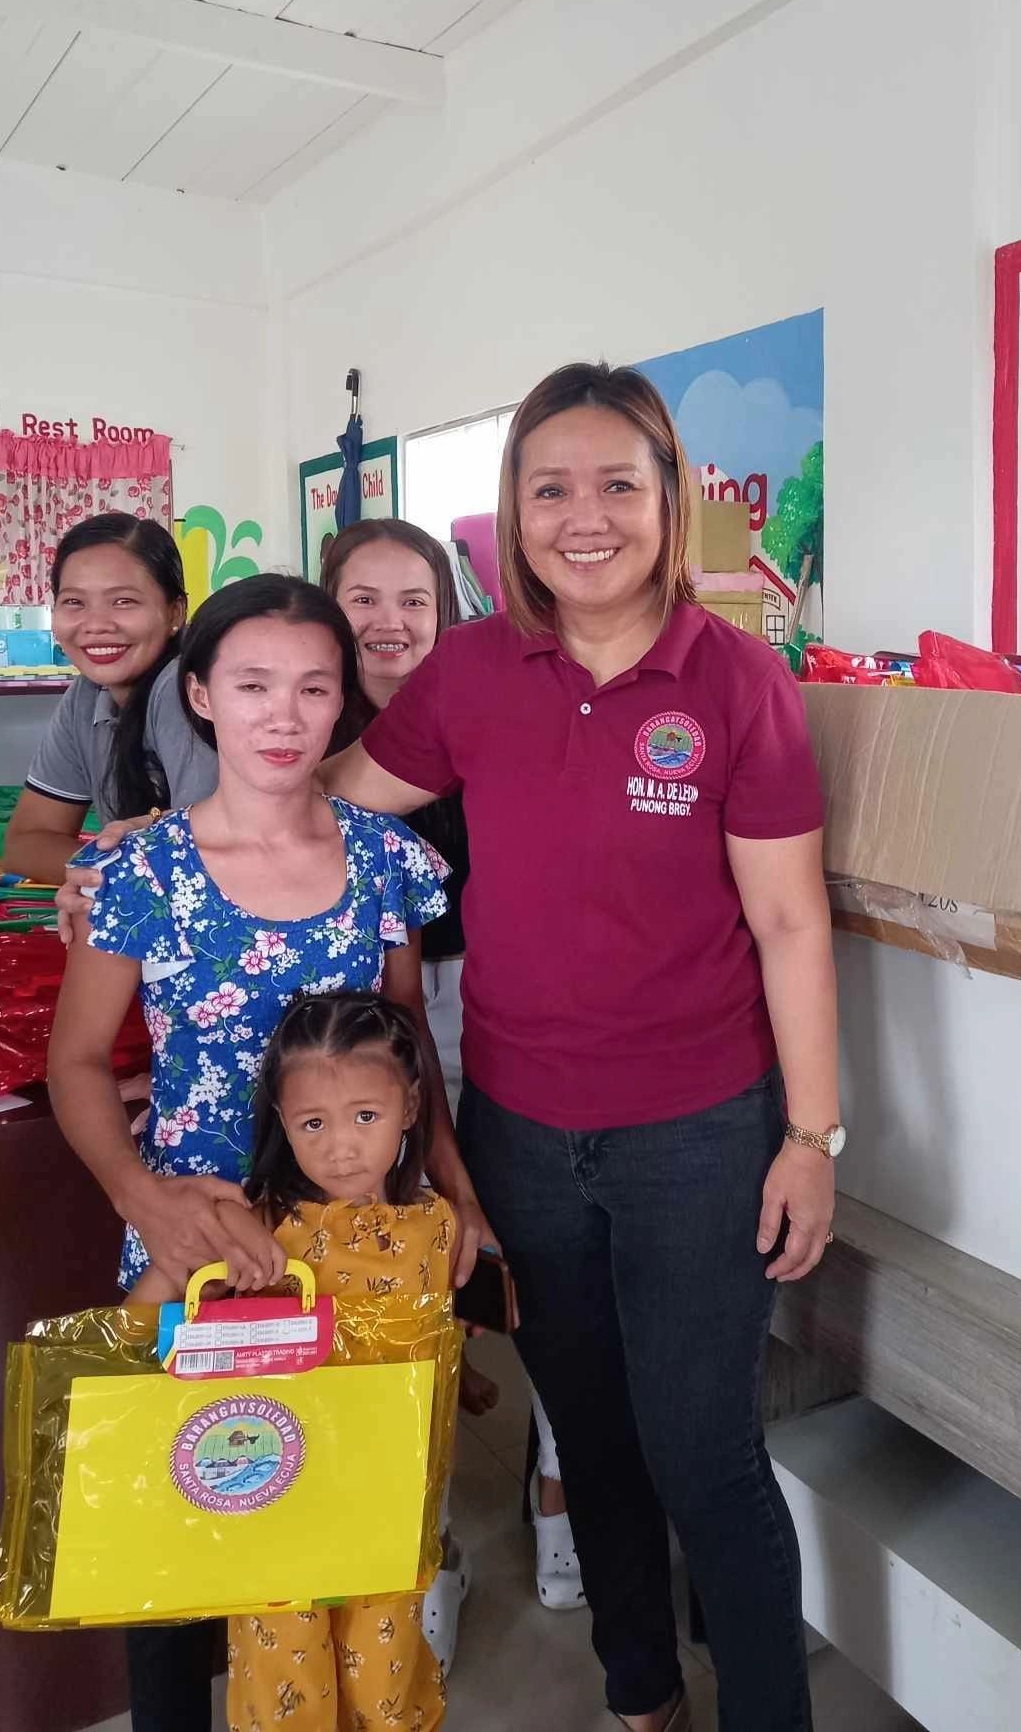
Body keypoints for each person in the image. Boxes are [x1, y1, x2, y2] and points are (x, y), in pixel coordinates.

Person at [322, 364, 841, 1732]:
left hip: (702, 1134)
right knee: (591, 1439)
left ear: (672, 500)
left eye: (618, 482)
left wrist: (812, 1135)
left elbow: (792, 923)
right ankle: (640, 1695)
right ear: (513, 511)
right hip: (521, 1132)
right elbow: (334, 803)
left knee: (705, 1456)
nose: (584, 515)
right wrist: (173, 840)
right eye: (550, 487)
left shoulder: (738, 679)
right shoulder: (471, 670)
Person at [47, 572, 485, 1732]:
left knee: (339, 1527)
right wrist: (142, 1197)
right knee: (178, 1522)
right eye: (251, 684)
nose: (283, 714)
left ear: (344, 702)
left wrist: (457, 1190)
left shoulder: (385, 859)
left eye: (312, 687)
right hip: (196, 1242)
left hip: (360, 1255)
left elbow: (410, 1050)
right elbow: (75, 1060)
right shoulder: (141, 871)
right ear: (200, 694)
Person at [322, 517, 585, 1618]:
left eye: (413, 600)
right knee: (393, 1268)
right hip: (355, 1021)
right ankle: (419, 1541)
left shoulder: (494, 702)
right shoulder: (306, 726)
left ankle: (560, 1488)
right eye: (363, 599)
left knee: (550, 1254)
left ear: (448, 612)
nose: (389, 623)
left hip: (508, 1000)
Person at [128, 990, 453, 1732]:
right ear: (282, 1121)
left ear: (408, 1107)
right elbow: (141, 1319)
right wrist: (189, 1245)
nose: (340, 1147)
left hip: (385, 1508)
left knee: (383, 1678)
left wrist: (466, 1389)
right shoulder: (262, 1225)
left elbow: (429, 1342)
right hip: (273, 1503)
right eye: (313, 1123)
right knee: (289, 1684)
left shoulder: (437, 1223)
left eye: (365, 1116)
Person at [4, 512, 218, 884]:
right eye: (74, 602)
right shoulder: (87, 694)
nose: (96, 625)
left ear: (175, 612)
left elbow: (205, 856)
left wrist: (109, 874)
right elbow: (26, 844)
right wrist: (118, 875)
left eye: (123, 601)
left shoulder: (183, 688)